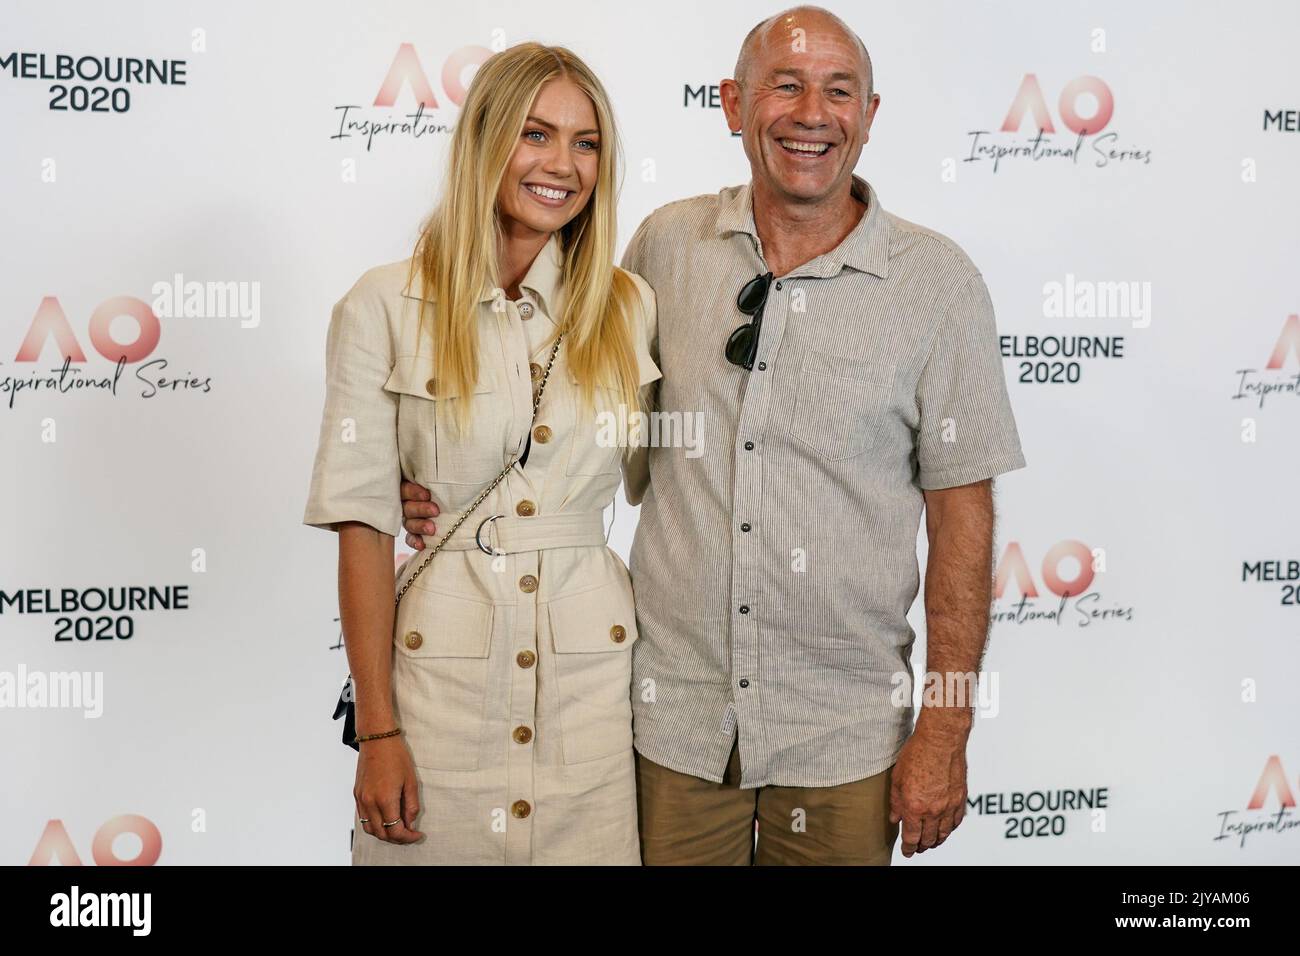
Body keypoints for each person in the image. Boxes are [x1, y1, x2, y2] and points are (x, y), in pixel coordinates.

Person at [402, 5, 1026, 866]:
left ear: (870, 116)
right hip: (672, 725)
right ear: (734, 105)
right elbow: (566, 402)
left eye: (839, 92)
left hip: (844, 739)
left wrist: (947, 729)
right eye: (787, 86)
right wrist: (445, 473)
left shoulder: (938, 284)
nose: (813, 114)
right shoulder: (665, 246)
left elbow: (965, 522)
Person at [302, 42, 661, 865]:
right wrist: (379, 729)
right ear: (485, 142)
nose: (562, 165)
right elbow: (361, 528)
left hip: (593, 697)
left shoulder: (629, 304)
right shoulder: (383, 305)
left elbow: (671, 482)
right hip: (438, 695)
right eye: (536, 135)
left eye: (586, 142)